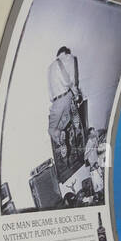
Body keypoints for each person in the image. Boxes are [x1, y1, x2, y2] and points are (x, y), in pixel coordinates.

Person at [48, 46, 84, 178]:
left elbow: (52, 89)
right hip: (65, 97)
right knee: (66, 119)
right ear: (65, 53)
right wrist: (75, 91)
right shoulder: (67, 59)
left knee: (53, 130)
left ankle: (62, 136)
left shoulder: (51, 66)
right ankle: (64, 130)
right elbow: (69, 79)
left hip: (57, 101)